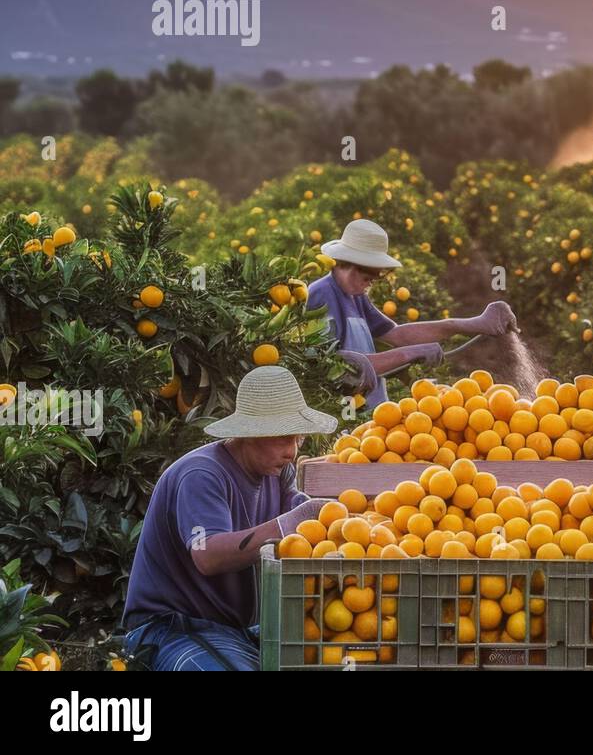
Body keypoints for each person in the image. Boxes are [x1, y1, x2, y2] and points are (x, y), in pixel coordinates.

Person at [120, 366, 337, 670]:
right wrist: (285, 524)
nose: (292, 451)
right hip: (171, 628)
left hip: (234, 631)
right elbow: (208, 557)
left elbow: (302, 515)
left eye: (298, 438)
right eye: (283, 438)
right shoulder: (202, 475)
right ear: (249, 434)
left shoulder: (278, 471)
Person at [306, 218, 517, 409]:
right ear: (351, 265)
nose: (372, 282)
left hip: (371, 414)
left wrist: (473, 324)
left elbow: (398, 335)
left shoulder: (354, 295)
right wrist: (410, 354)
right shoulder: (322, 295)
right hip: (344, 416)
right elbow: (333, 365)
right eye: (371, 276)